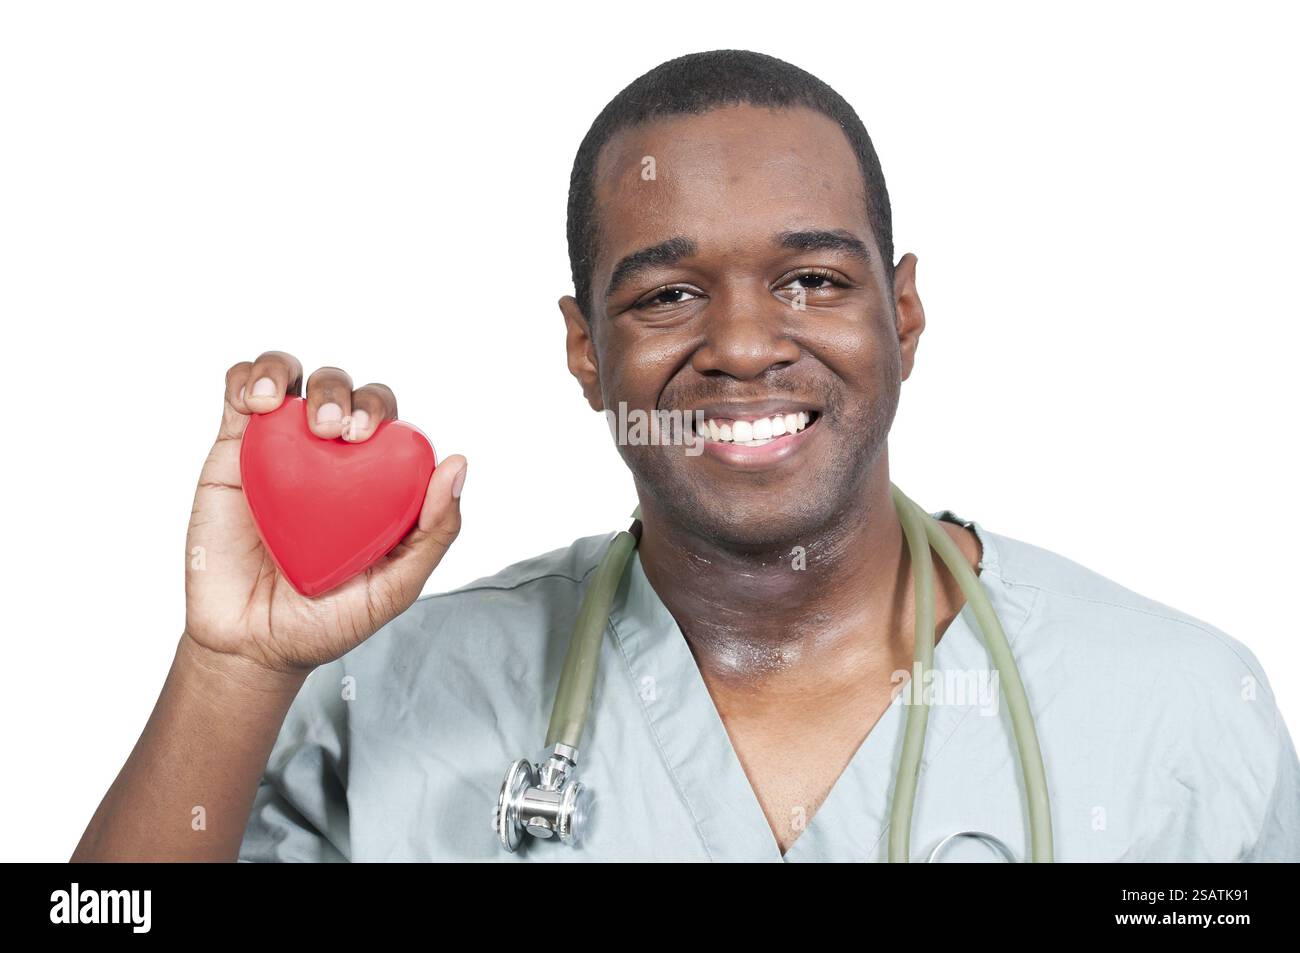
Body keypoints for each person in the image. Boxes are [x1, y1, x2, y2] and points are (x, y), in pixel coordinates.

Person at [72, 49, 1299, 862]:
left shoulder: (1174, 715)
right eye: (665, 296)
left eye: (811, 278)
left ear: (903, 315)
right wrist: (230, 664)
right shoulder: (393, 700)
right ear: (584, 349)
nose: (745, 345)